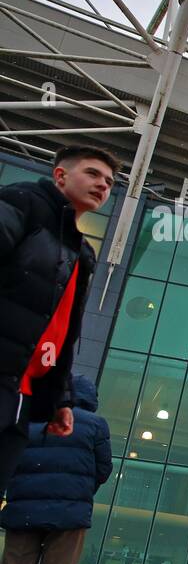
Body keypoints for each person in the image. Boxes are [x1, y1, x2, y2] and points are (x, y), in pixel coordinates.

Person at [0, 146, 115, 497]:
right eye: (92, 174)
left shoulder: (82, 252)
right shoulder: (22, 202)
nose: (102, 185)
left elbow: (62, 331)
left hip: (22, 392)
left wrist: (61, 399)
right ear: (60, 175)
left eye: (109, 182)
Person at [0, 374, 110, 564]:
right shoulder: (95, 425)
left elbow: (10, 461)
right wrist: (77, 493)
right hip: (69, 517)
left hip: (23, 513)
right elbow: (103, 469)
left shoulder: (30, 420)